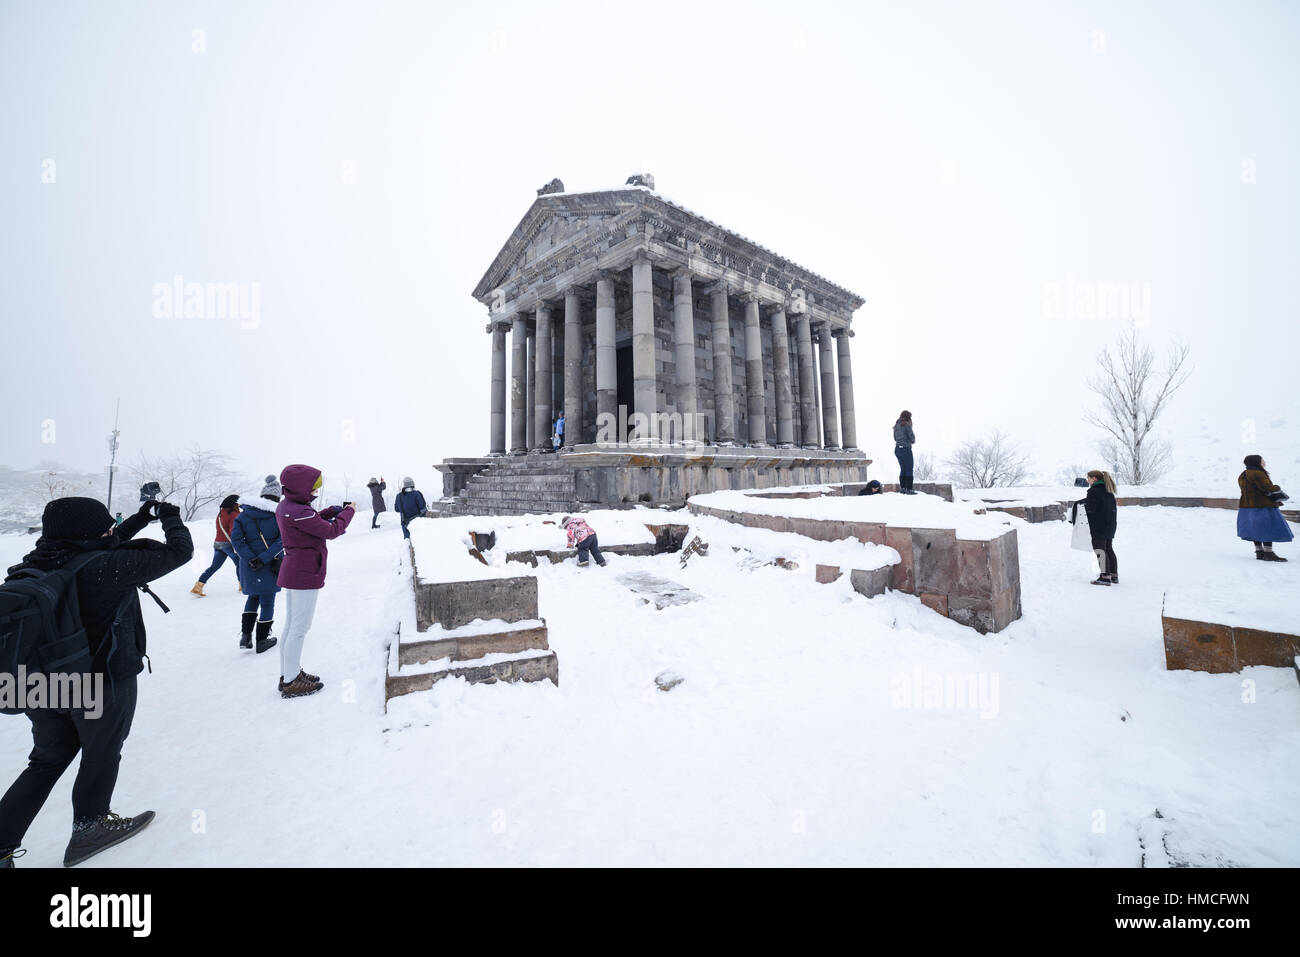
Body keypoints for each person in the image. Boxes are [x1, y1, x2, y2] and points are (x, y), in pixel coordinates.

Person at [0, 495, 193, 868]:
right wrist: (169, 514)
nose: (110, 531)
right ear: (89, 531)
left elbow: (106, 542)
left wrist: (139, 518)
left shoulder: (35, 564)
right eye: (105, 525)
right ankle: (91, 827)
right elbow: (179, 551)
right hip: (100, 682)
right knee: (101, 752)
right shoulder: (109, 566)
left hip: (43, 683)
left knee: (45, 761)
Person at [274, 465, 355, 698]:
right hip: (305, 573)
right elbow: (331, 531)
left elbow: (311, 522)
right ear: (301, 487)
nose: (314, 492)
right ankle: (291, 681)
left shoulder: (288, 507)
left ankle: (289, 673)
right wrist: (348, 512)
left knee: (291, 626)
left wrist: (329, 511)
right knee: (299, 628)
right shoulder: (300, 511)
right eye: (312, 487)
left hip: (295, 570)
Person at [229, 477, 283, 653]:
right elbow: (282, 541)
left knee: (252, 597)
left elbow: (236, 540)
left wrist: (251, 558)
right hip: (270, 563)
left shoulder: (243, 515)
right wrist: (263, 558)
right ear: (277, 499)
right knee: (267, 601)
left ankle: (245, 637)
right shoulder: (278, 516)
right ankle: (262, 640)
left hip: (248, 564)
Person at [1237, 454, 1292, 562]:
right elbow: (1267, 488)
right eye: (1262, 460)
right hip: (1262, 505)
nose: (1264, 462)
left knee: (1255, 528)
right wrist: (1277, 488)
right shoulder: (1258, 473)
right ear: (1257, 462)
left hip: (1247, 506)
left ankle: (1259, 552)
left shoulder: (1243, 474)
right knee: (1267, 527)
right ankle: (1268, 553)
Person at [190, 494, 241, 596]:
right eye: (238, 503)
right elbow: (233, 532)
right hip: (228, 545)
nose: (239, 505)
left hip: (218, 543)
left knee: (214, 566)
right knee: (240, 563)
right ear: (234, 504)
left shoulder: (220, 514)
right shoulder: (234, 514)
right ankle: (243, 586)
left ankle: (198, 586)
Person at [1076, 469, 1118, 585]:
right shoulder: (1109, 490)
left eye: (1088, 478)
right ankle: (1114, 575)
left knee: (1100, 550)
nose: (1087, 480)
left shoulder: (1094, 491)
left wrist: (1083, 505)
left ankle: (1105, 577)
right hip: (1110, 525)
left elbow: (1091, 509)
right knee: (1108, 548)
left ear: (1094, 479)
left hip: (1099, 526)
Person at [893, 411, 916, 494]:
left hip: (897, 450)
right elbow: (912, 438)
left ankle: (903, 488)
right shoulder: (907, 425)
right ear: (908, 417)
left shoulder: (896, 426)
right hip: (905, 449)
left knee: (903, 469)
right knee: (909, 469)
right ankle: (909, 489)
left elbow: (895, 438)